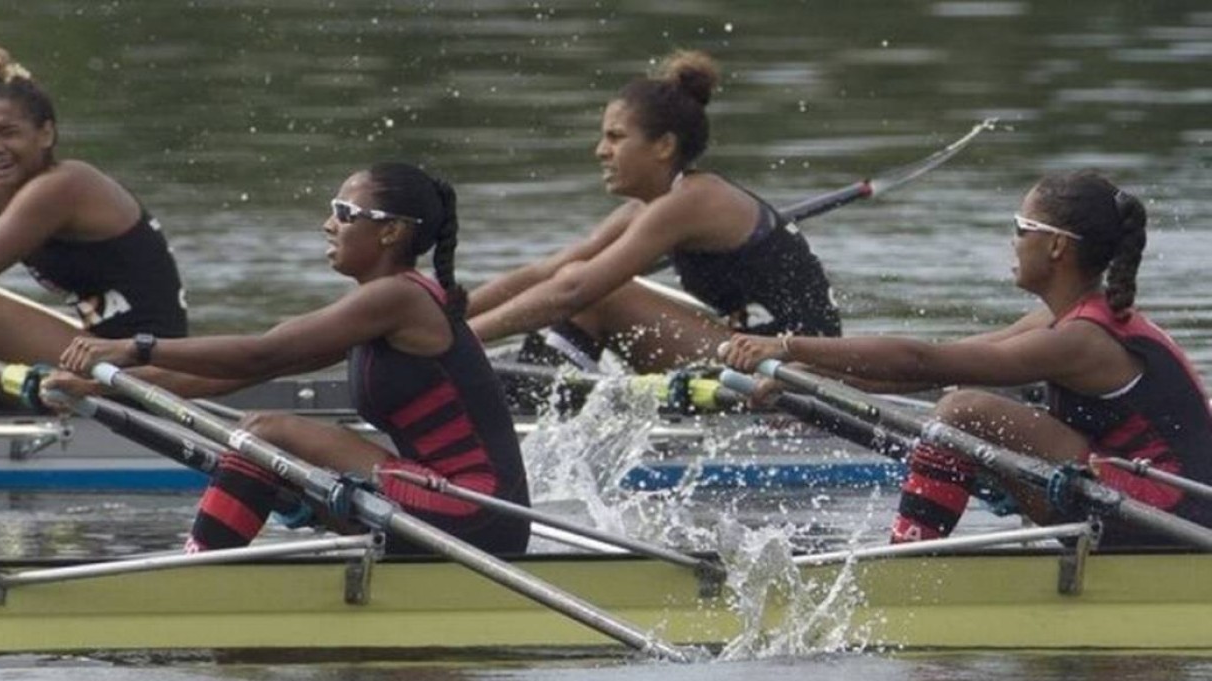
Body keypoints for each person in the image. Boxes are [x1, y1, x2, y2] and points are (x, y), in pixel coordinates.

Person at [57, 162, 531, 556]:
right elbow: (248, 370)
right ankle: (216, 567)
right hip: (444, 502)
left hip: (477, 511)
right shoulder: (382, 307)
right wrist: (104, 385)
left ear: (391, 231)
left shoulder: (396, 298)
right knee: (273, 451)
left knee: (266, 432)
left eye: (345, 213)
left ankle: (198, 575)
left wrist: (135, 346)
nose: (328, 224)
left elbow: (262, 350)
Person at [722, 170, 1212, 546]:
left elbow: (923, 362)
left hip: (1175, 516)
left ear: (1057, 246)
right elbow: (931, 370)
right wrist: (801, 377)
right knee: (958, 405)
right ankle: (917, 554)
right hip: (1135, 497)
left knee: (964, 413)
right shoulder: (1063, 320)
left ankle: (908, 561)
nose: (1012, 241)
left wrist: (785, 345)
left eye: (1021, 228)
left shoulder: (1081, 338)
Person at [467, 50, 840, 373]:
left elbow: (574, 290)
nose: (600, 151)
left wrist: (457, 339)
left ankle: (537, 395)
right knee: (576, 277)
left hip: (800, 363)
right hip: (748, 348)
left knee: (601, 293)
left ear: (663, 146)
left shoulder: (694, 199)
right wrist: (440, 311)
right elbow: (544, 273)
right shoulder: (652, 207)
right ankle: (539, 382)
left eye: (615, 137)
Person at [0, 40, 187, 365]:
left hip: (144, 362)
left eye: (8, 133)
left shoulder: (63, 187)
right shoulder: (1, 184)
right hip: (95, 346)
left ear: (45, 135)